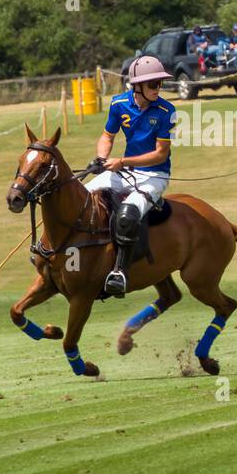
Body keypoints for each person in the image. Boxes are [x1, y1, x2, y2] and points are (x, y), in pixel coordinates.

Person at [87, 55, 177, 296]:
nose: (159, 89)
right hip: (125, 171)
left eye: (160, 84)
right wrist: (102, 158)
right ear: (137, 86)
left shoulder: (167, 111)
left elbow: (160, 154)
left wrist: (122, 161)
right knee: (81, 196)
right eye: (153, 84)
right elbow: (107, 136)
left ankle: (119, 272)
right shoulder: (118, 104)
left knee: (128, 213)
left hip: (155, 176)